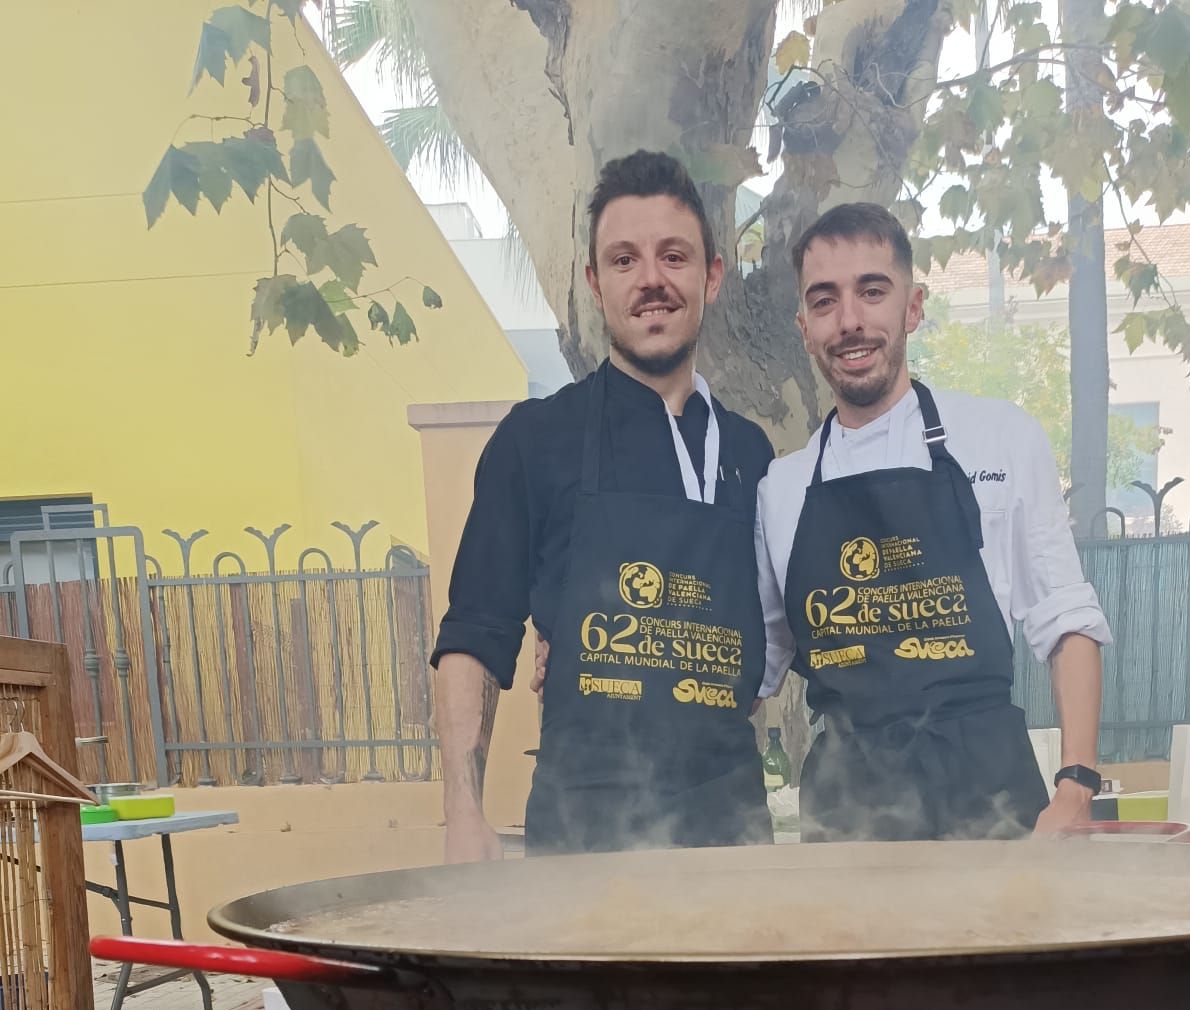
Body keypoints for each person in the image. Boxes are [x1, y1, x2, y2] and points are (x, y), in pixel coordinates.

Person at [431, 152, 775, 860]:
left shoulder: (752, 454)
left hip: (731, 835)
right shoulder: (535, 440)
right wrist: (464, 813)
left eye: (673, 256)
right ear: (595, 283)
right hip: (581, 832)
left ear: (711, 274)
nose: (651, 279)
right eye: (624, 260)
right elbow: (474, 634)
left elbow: (767, 644)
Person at [756, 202, 1111, 843]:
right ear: (804, 326)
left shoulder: (1002, 439)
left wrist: (1077, 785)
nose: (851, 321)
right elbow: (755, 664)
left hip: (991, 803)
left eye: (872, 291)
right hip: (846, 819)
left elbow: (1067, 619)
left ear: (913, 307)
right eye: (825, 301)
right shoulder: (780, 490)